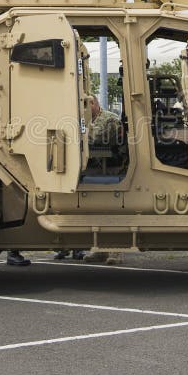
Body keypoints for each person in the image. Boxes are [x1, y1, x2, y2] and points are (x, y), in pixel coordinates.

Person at [83, 96, 124, 265]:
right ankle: (99, 250)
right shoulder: (87, 120)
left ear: (93, 104)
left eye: (85, 104)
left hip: (112, 168)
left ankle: (116, 251)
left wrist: (84, 127)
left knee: (114, 212)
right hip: (95, 168)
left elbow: (97, 139)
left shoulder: (108, 119)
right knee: (97, 211)